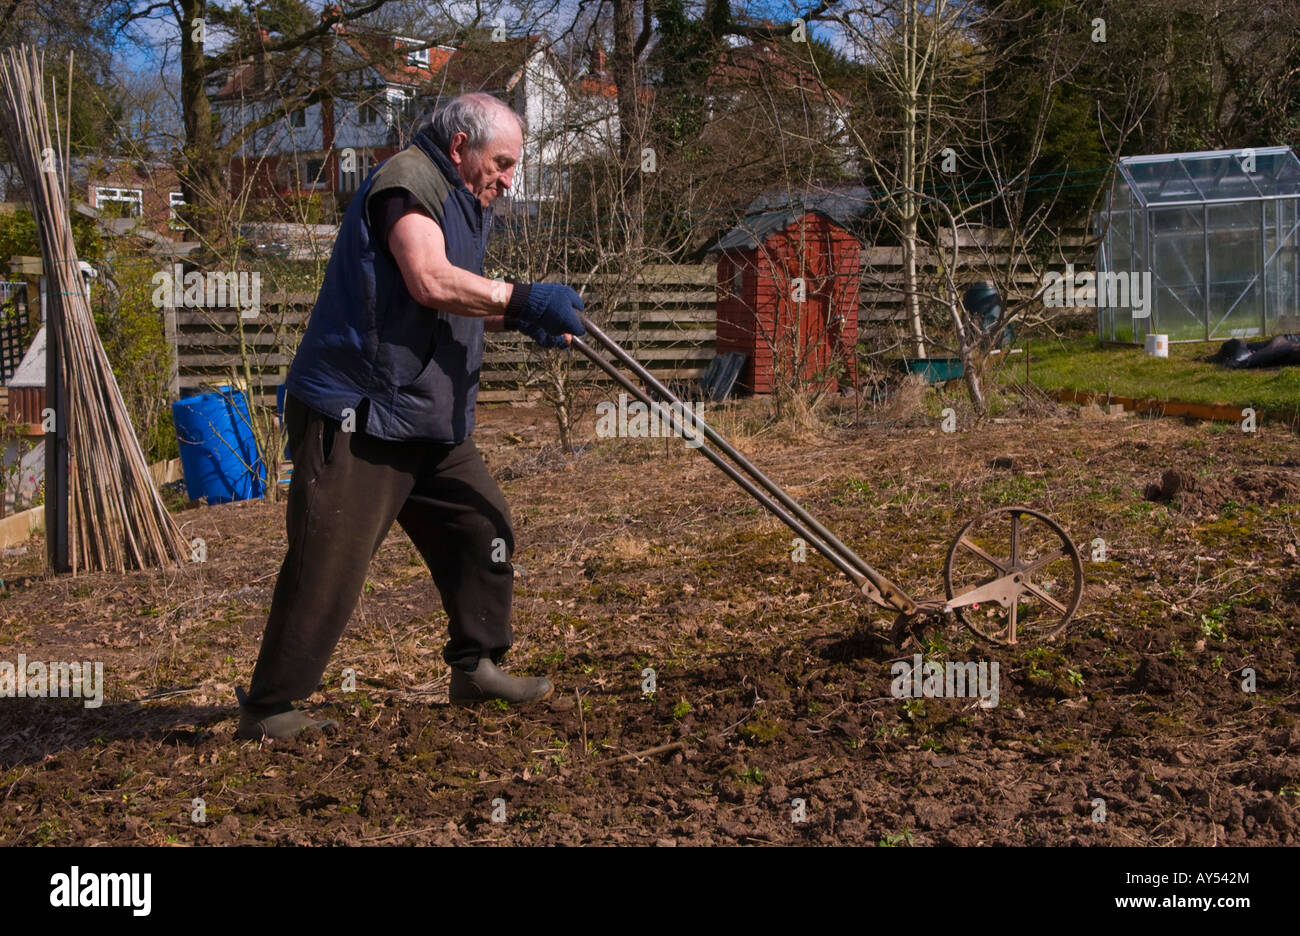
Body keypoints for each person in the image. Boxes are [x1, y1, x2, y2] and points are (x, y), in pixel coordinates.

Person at [234, 93, 585, 740]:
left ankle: (474, 668)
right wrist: (526, 297)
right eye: (503, 162)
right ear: (460, 147)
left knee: (484, 529)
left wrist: (516, 318)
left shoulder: (468, 196)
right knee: (329, 561)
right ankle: (269, 707)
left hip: (428, 417)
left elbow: (446, 295)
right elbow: (427, 277)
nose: (509, 179)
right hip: (360, 414)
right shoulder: (408, 181)